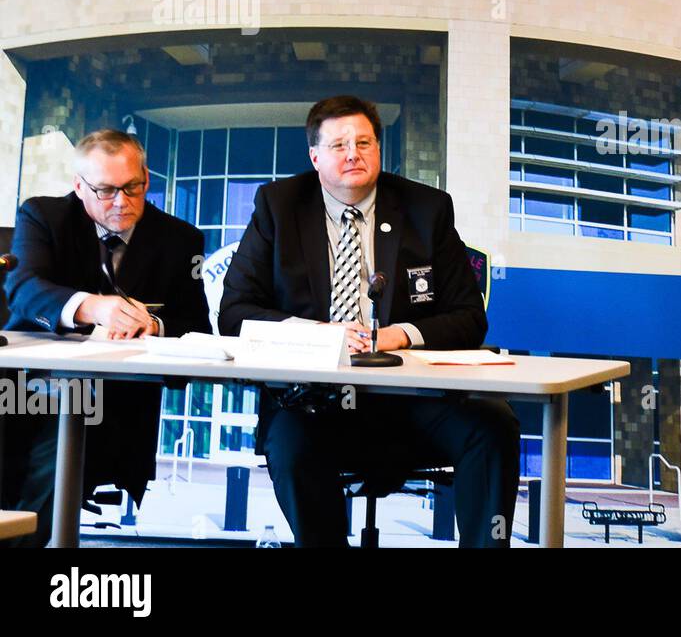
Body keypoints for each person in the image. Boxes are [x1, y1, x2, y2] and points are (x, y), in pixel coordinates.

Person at [218, 95, 520, 547]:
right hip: (313, 403)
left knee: (493, 424)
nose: (353, 154)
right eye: (338, 145)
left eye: (364, 142)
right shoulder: (278, 206)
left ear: (378, 149)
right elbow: (234, 314)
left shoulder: (427, 209)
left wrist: (400, 335)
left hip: (414, 402)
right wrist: (319, 334)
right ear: (315, 156)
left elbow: (469, 318)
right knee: (290, 446)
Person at [1, 130, 210, 547]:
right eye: (106, 190)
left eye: (133, 187)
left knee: (55, 459)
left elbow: (196, 325)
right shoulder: (43, 217)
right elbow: (23, 288)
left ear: (146, 179)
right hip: (23, 387)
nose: (121, 201)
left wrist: (153, 325)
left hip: (110, 401)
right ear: (79, 187)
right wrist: (91, 307)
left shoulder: (181, 239)